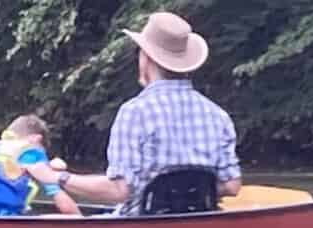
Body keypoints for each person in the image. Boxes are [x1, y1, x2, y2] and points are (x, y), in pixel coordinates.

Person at [55, 12, 242, 213]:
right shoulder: (218, 116)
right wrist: (187, 192)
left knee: (53, 222)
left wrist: (59, 178)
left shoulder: (134, 113)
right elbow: (232, 185)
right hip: (200, 227)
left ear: (146, 58)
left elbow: (119, 191)